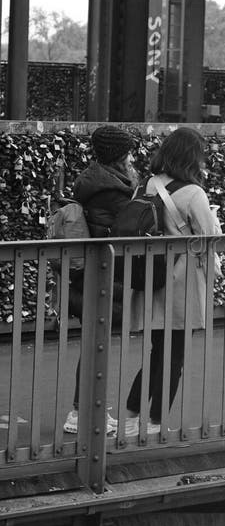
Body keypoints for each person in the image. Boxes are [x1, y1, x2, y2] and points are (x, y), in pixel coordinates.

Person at [124, 127, 222, 436]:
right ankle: (154, 422)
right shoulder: (194, 193)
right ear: (192, 158)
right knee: (175, 354)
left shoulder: (145, 186)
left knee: (156, 350)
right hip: (181, 282)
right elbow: (209, 238)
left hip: (151, 277)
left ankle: (130, 415)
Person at [63, 125, 139, 435]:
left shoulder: (96, 181)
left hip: (92, 275)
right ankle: (80, 413)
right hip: (103, 275)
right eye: (129, 151)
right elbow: (125, 228)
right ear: (119, 155)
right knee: (96, 343)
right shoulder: (110, 190)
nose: (132, 157)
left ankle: (87, 411)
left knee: (96, 343)